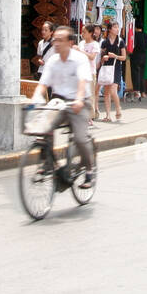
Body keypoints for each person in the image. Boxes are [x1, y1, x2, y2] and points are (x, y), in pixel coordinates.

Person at [31, 26, 95, 187]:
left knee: (80, 138)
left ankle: (89, 170)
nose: (56, 43)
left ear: (70, 42)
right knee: (43, 128)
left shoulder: (79, 59)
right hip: (58, 101)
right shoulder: (52, 61)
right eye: (55, 40)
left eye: (60, 40)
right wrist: (35, 98)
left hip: (79, 101)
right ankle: (47, 164)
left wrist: (79, 100)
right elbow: (43, 83)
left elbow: (82, 82)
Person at [99, 20, 126, 123]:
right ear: (110, 29)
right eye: (115, 27)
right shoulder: (104, 42)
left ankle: (118, 108)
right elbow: (101, 56)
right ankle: (107, 115)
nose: (117, 29)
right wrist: (103, 58)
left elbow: (124, 57)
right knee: (106, 92)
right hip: (106, 67)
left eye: (118, 27)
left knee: (113, 90)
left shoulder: (120, 41)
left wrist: (115, 56)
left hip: (116, 67)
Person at [79, 24, 102, 120]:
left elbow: (92, 57)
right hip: (81, 72)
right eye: (82, 32)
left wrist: (81, 51)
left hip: (90, 72)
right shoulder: (81, 43)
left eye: (84, 32)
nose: (82, 34)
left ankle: (90, 116)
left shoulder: (95, 44)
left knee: (90, 94)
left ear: (91, 33)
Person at [130, 25, 147, 101]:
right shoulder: (145, 35)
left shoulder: (135, 35)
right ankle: (143, 92)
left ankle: (137, 91)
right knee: (142, 74)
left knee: (135, 74)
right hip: (144, 57)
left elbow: (134, 46)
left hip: (136, 56)